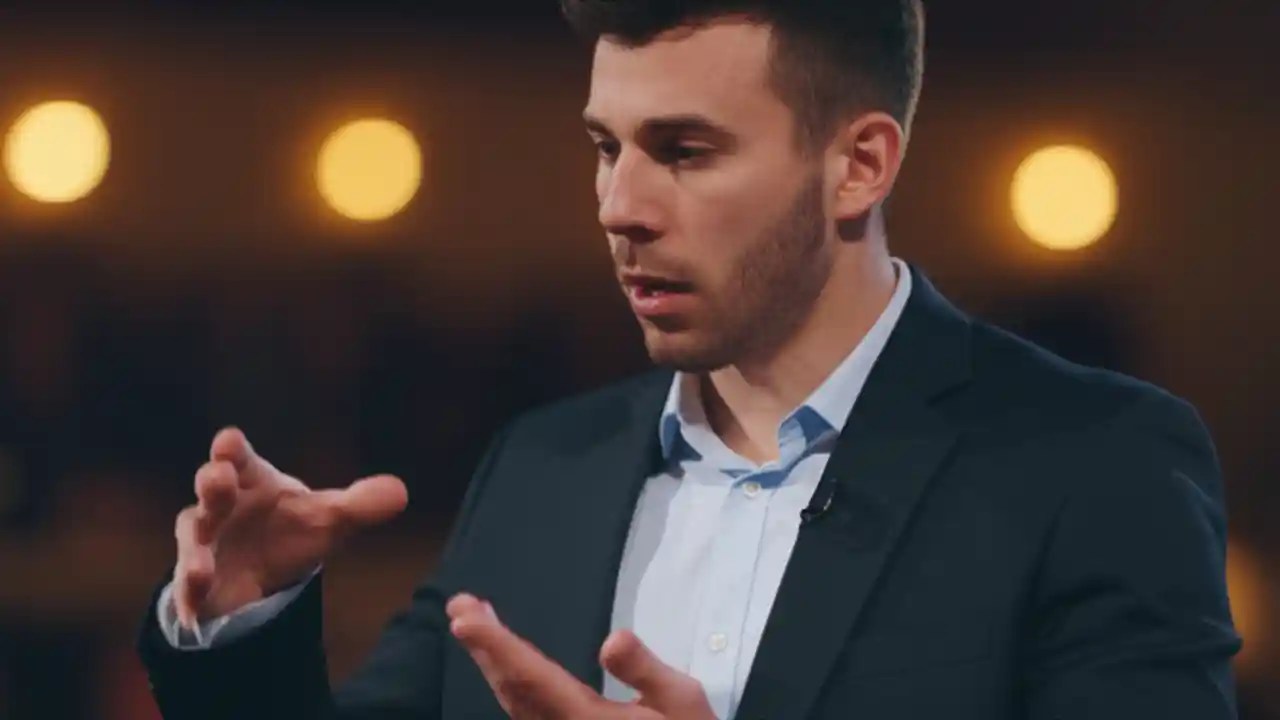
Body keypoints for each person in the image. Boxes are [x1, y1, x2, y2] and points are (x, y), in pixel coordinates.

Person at [136, 1, 1242, 718]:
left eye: (683, 151)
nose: (618, 206)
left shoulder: (1093, 463)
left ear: (857, 165)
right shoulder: (544, 466)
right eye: (605, 148)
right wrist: (241, 619)